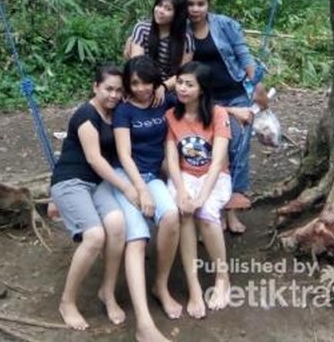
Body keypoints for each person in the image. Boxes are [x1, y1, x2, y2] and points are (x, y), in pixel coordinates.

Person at [50, 64, 138, 331]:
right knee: (95, 236)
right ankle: (67, 302)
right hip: (71, 181)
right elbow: (94, 159)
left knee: (117, 225)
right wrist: (126, 187)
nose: (114, 95)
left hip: (95, 183)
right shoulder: (86, 115)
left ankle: (107, 292)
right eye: (108, 89)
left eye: (119, 90)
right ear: (95, 87)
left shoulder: (114, 113)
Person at [113, 55, 181, 342]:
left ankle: (160, 286)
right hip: (127, 178)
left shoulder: (164, 101)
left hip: (153, 176)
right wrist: (140, 190)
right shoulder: (124, 110)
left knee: (171, 216)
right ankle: (144, 323)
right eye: (135, 83)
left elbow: (195, 96)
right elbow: (124, 155)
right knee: (138, 238)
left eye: (146, 83)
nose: (141, 89)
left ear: (155, 82)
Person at [183, 0, 260, 234]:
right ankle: (211, 209)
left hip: (235, 94)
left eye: (200, 3)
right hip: (204, 100)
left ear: (208, 4)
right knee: (210, 152)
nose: (195, 9)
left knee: (237, 145)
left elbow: (243, 56)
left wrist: (257, 84)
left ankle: (231, 209)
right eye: (190, 4)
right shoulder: (181, 31)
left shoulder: (225, 25)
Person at [165, 61, 232, 317]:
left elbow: (217, 162)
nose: (182, 88)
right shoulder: (172, 116)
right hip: (183, 176)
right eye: (180, 83)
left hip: (214, 177)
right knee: (184, 212)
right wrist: (182, 192)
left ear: (202, 89)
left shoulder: (218, 114)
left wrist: (202, 196)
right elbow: (172, 160)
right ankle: (194, 287)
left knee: (205, 213)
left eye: (189, 85)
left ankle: (222, 279)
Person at [126, 0, 194, 84]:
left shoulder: (186, 37)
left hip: (170, 86)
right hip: (143, 83)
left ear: (177, 14)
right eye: (159, 5)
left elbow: (183, 74)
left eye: (168, 9)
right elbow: (137, 66)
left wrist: (163, 87)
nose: (161, 11)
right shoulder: (142, 28)